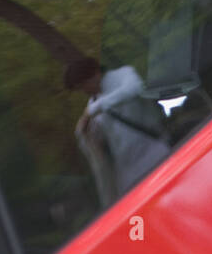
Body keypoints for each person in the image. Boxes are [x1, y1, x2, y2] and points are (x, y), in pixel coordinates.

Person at [64, 57, 170, 203]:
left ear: (95, 73)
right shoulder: (93, 103)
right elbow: (100, 143)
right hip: (129, 175)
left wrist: (96, 108)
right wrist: (84, 133)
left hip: (156, 155)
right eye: (79, 88)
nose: (84, 91)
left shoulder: (123, 75)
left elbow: (135, 88)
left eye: (83, 85)